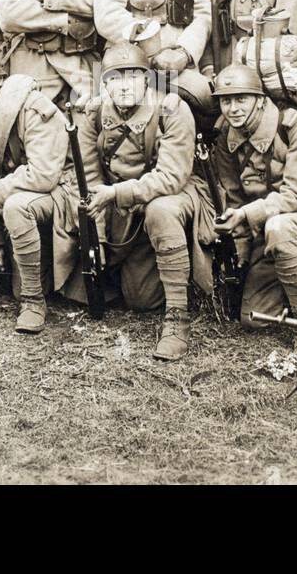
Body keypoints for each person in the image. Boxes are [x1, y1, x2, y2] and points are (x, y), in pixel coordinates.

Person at [80, 43, 213, 360]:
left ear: (146, 79)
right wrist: (96, 235)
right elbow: (88, 180)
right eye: (115, 78)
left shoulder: (171, 108)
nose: (124, 85)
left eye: (133, 76)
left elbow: (171, 177)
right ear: (105, 83)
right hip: (124, 211)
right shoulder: (95, 113)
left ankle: (177, 317)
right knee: (139, 300)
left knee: (160, 209)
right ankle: (161, 269)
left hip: (173, 197)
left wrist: (115, 194)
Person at [209, 64, 297, 365]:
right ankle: (296, 285)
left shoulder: (295, 125)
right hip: (266, 221)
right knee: (253, 318)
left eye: (241, 99)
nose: (233, 108)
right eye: (226, 101)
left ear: (259, 98)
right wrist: (241, 248)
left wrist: (246, 215)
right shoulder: (226, 140)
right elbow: (234, 196)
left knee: (280, 228)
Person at [0, 51, 77, 334]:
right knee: (12, 284)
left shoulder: (34, 108)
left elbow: (44, 174)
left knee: (15, 205)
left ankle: (33, 301)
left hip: (62, 192)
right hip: (20, 198)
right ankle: (24, 281)